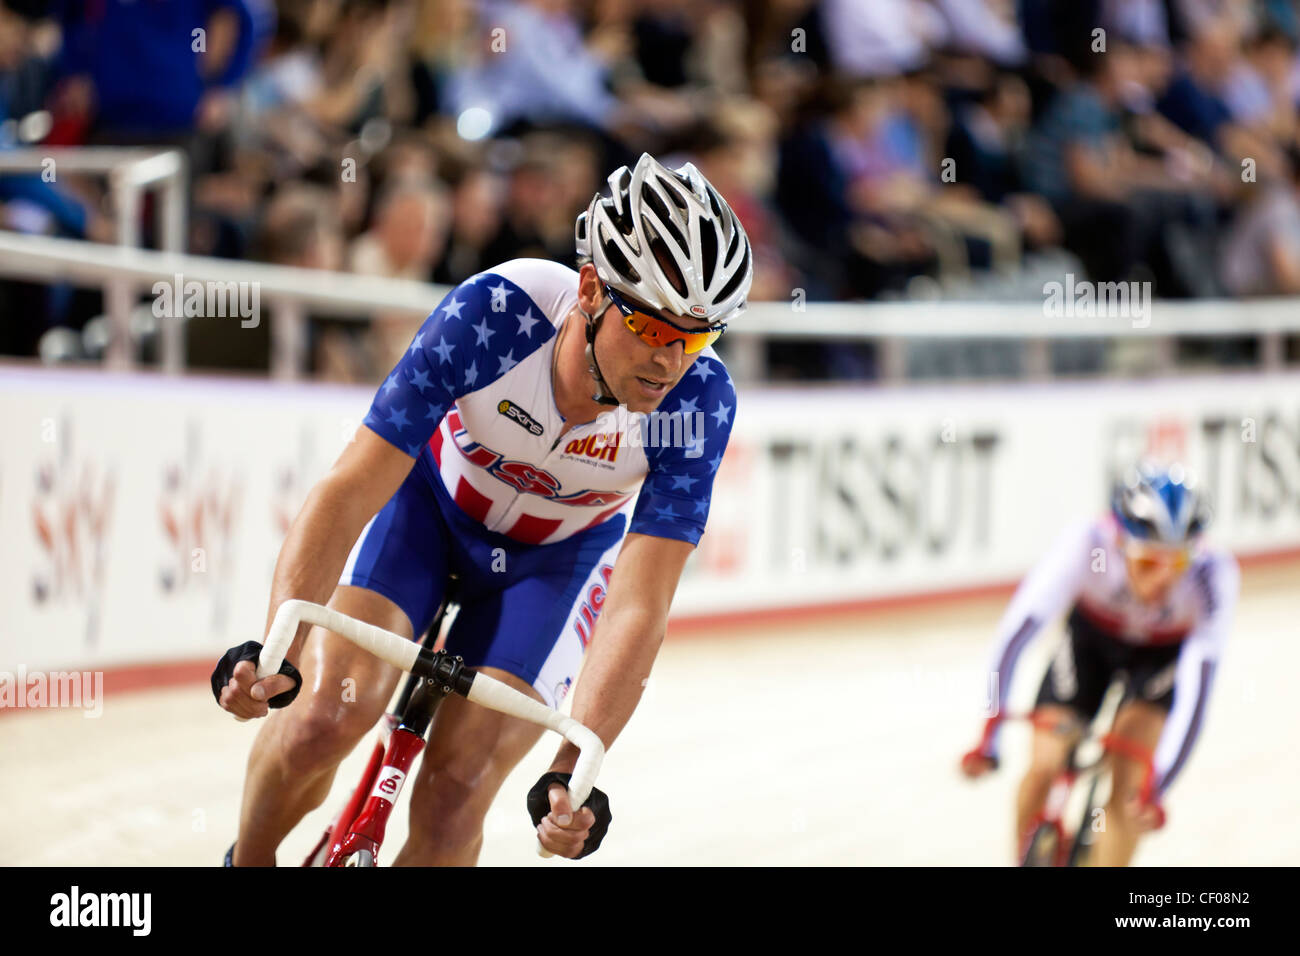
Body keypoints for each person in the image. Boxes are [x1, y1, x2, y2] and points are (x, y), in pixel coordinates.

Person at [211, 152, 751, 865]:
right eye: (653, 328)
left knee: (459, 787)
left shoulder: (697, 404)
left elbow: (638, 605)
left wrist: (572, 770)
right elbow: (350, 489)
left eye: (698, 336)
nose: (670, 362)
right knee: (323, 717)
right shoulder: (497, 313)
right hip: (433, 512)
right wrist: (275, 645)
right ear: (590, 288)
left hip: (556, 561)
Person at [960, 462, 1239, 866]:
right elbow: (1014, 639)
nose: (1162, 581)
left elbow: (1198, 692)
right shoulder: (1087, 545)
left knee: (1129, 795)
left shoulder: (1214, 574)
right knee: (1044, 764)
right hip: (1090, 643)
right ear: (1120, 543)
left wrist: (1157, 785)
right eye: (1147, 563)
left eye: (1176, 564)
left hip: (1158, 660)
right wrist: (990, 734)